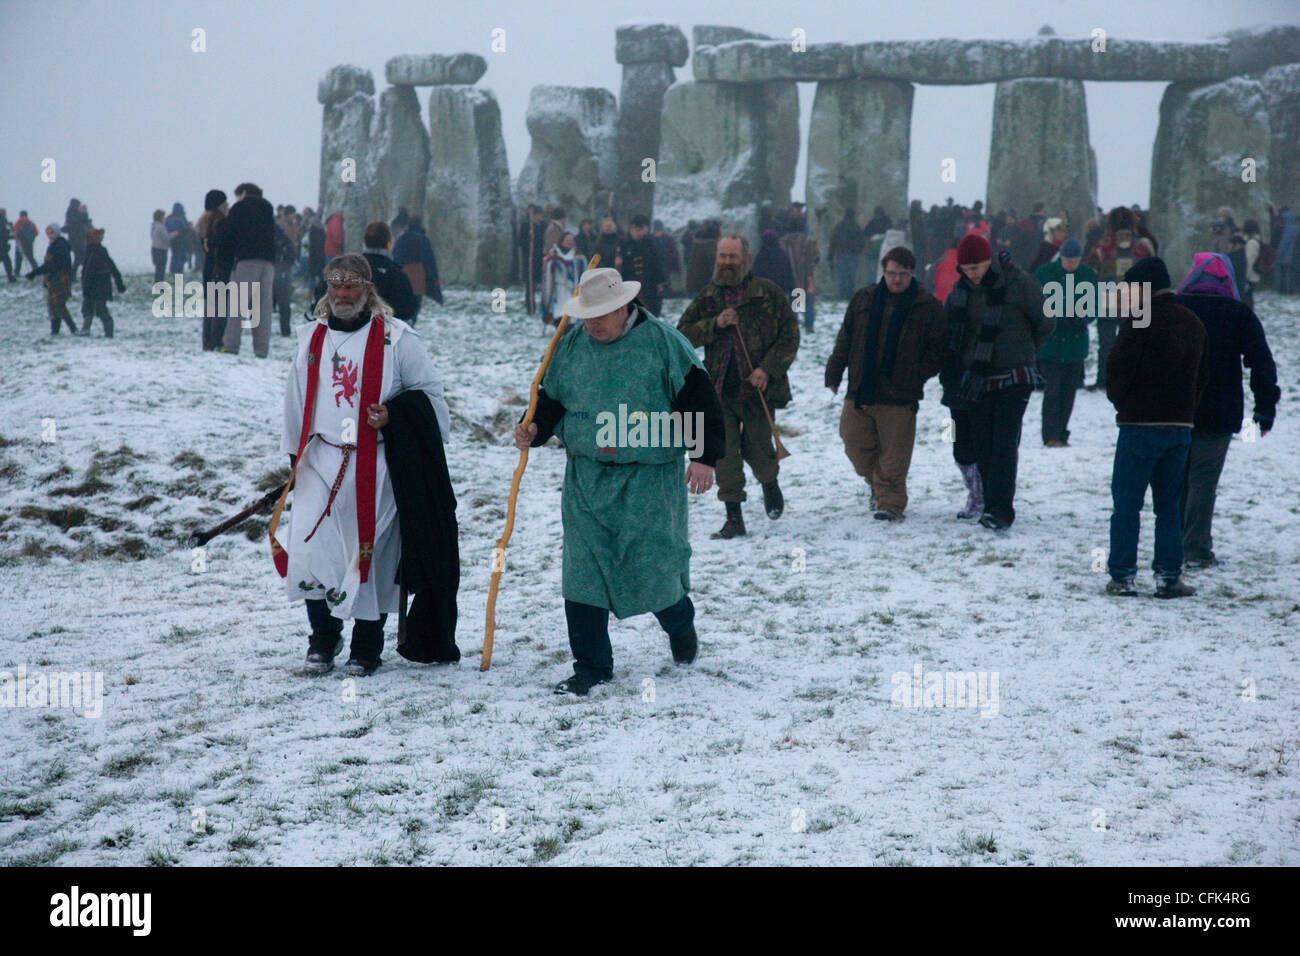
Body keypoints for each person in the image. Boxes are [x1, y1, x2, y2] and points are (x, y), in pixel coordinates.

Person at [512, 267, 723, 696]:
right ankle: (591, 668)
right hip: (587, 478)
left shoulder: (664, 343)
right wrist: (533, 428)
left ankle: (680, 624)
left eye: (602, 315)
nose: (593, 324)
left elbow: (699, 399)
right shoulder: (570, 345)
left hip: (649, 478)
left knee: (654, 569)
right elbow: (550, 399)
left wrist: (704, 457)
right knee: (583, 573)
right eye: (587, 316)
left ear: (624, 306)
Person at [274, 254, 456, 676]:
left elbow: (431, 398)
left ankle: (367, 645)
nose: (341, 295)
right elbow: (294, 402)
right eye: (335, 287)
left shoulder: (398, 339)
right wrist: (293, 460)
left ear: (368, 290)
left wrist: (394, 414)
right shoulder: (310, 340)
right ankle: (323, 637)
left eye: (351, 286)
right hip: (319, 460)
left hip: (375, 465)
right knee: (311, 547)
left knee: (366, 556)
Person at [678, 235, 800, 538]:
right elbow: (682, 334)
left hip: (756, 390)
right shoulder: (708, 297)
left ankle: (769, 484)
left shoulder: (767, 294)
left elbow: (790, 335)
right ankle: (734, 517)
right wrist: (714, 324)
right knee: (724, 455)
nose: (727, 262)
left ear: (745, 258)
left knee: (759, 450)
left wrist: (767, 370)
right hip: (717, 391)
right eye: (723, 256)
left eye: (733, 256)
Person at [1104, 257, 1207, 598]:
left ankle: (1122, 576)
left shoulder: (1137, 322)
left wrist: (1122, 402)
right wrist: (1185, 409)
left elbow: (1118, 371)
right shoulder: (1193, 323)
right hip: (1179, 426)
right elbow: (1202, 376)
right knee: (1168, 505)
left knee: (1127, 505)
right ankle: (1168, 576)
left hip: (1139, 425)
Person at [940, 233, 1052, 530]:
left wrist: (1025, 350)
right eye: (967, 269)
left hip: (1015, 377)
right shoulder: (958, 295)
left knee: (1003, 444)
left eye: (977, 267)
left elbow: (1045, 321)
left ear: (990, 260)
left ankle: (999, 510)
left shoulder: (1019, 284)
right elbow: (951, 335)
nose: (973, 274)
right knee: (982, 446)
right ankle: (990, 501)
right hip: (976, 381)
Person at [1173, 253, 1279, 569]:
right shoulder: (1238, 314)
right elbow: (1261, 363)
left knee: (1178, 477)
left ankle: (1173, 542)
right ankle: (1195, 548)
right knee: (1204, 480)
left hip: (1174, 407)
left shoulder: (1175, 309)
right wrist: (1265, 408)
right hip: (1220, 410)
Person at [825, 247, 946, 521]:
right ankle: (878, 486)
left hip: (900, 394)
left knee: (894, 456)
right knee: (853, 442)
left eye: (903, 274)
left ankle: (890, 504)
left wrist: (916, 374)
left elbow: (938, 350)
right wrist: (834, 372)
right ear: (883, 271)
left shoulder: (927, 307)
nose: (896, 279)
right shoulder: (863, 299)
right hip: (861, 386)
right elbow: (846, 337)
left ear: (912, 273)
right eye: (892, 273)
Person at [1034, 237, 1097, 446]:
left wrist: (1084, 317)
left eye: (1075, 261)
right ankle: (1050, 435)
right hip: (1051, 344)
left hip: (1074, 344)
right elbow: (1035, 303)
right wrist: (1055, 316)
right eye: (1068, 260)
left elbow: (1095, 305)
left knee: (1069, 392)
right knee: (1053, 391)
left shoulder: (1088, 276)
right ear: (1061, 258)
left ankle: (1062, 433)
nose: (1071, 265)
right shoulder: (1044, 274)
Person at [1087, 206, 1156, 390]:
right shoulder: (1143, 245)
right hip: (1136, 299)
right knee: (1135, 342)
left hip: (1109, 296)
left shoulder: (1101, 246)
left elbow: (1092, 270)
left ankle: (1104, 379)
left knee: (1107, 344)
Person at [216, 182, 276, 357]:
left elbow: (229, 236)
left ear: (243, 193)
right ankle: (262, 349)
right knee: (263, 308)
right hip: (268, 263)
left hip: (246, 260)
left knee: (238, 306)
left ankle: (231, 345)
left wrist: (224, 264)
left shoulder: (239, 207)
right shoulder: (268, 208)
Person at [358, 221, 419, 324]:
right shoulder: (396, 274)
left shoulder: (348, 268)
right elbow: (408, 310)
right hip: (385, 334)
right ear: (389, 245)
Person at [29, 224, 78, 335]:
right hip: (54, 278)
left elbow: (51, 265)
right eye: (48, 233)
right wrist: (45, 276)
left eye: (52, 232)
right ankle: (55, 330)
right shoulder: (54, 245)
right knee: (53, 305)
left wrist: (35, 273)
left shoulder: (59, 246)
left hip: (60, 278)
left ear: (57, 233)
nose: (50, 235)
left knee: (58, 305)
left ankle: (73, 329)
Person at [197, 190, 230, 350]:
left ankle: (207, 342)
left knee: (210, 308)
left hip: (209, 269)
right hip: (221, 269)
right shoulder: (222, 223)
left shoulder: (204, 222)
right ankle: (217, 340)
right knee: (221, 308)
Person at [78, 228, 125, 337]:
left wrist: (119, 283)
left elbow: (93, 270)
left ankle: (109, 333)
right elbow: (112, 267)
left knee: (101, 310)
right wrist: (119, 283)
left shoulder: (96, 252)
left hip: (98, 288)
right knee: (87, 308)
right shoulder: (93, 251)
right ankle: (86, 329)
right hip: (93, 287)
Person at [781, 206, 819, 332]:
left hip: (790, 277)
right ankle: (809, 326)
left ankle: (794, 325)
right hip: (806, 276)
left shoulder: (784, 242)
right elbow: (816, 257)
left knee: (795, 302)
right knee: (808, 302)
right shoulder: (807, 241)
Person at [390, 216, 442, 307]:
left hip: (403, 275)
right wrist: (434, 279)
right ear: (420, 225)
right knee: (416, 301)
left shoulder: (401, 238)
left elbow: (395, 258)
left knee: (404, 301)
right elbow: (429, 260)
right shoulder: (423, 239)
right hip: (419, 275)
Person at [620, 214, 666, 316]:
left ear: (646, 230)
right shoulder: (625, 245)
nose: (637, 233)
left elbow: (658, 264)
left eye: (640, 230)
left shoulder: (652, 245)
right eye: (635, 230)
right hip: (631, 281)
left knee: (651, 308)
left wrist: (660, 283)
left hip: (649, 283)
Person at [539, 231, 587, 327]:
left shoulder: (578, 258)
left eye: (571, 240)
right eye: (567, 240)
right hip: (558, 292)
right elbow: (547, 272)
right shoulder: (553, 256)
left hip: (572, 290)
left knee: (572, 318)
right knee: (560, 316)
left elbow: (583, 271)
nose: (569, 242)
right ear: (561, 241)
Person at [830, 208, 866, 299]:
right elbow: (862, 241)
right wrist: (859, 250)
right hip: (853, 254)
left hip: (841, 253)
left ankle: (842, 294)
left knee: (842, 275)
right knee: (851, 276)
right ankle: (850, 294)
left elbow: (833, 240)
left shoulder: (839, 226)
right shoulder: (856, 227)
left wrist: (830, 254)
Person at [751, 228, 795, 299]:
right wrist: (790, 290)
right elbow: (788, 274)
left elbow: (755, 274)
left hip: (765, 294)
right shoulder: (783, 255)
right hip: (780, 292)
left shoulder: (760, 256)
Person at [684, 219, 717, 298]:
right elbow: (712, 265)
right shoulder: (710, 245)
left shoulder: (696, 244)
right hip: (705, 283)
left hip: (694, 282)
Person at [62, 199, 91, 276]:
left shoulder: (77, 213)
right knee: (79, 258)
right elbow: (76, 222)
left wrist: (84, 213)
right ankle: (74, 276)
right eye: (78, 205)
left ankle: (76, 275)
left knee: (81, 258)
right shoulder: (71, 213)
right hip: (75, 240)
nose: (79, 206)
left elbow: (85, 221)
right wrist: (82, 213)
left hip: (81, 239)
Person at [652, 219, 680, 295]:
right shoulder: (650, 239)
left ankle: (667, 292)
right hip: (653, 264)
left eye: (659, 230)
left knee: (666, 279)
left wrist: (669, 256)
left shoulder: (667, 239)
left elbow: (673, 251)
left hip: (666, 263)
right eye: (656, 231)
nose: (657, 232)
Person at [1275, 207, 1297, 294]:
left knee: (1286, 274)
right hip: (1294, 254)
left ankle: (1285, 290)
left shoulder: (1288, 229)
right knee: (1291, 274)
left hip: (1287, 255)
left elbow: (1284, 243)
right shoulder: (1295, 228)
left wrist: (1278, 254)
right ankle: (1291, 290)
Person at [165, 202, 189, 275]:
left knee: (174, 256)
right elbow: (186, 230)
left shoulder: (168, 219)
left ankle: (172, 271)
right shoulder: (182, 218)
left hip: (172, 241)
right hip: (181, 241)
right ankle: (179, 272)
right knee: (180, 256)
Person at [13, 210, 40, 274]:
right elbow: (36, 233)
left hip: (20, 243)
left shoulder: (18, 223)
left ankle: (17, 272)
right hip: (29, 243)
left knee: (18, 258)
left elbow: (14, 231)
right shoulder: (31, 223)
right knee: (31, 257)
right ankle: (36, 270)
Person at [150, 210, 170, 282]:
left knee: (158, 269)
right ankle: (159, 287)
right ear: (160, 217)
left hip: (154, 249)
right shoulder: (161, 227)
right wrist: (173, 235)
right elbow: (166, 239)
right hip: (161, 250)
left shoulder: (153, 226)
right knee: (161, 270)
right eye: (163, 217)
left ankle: (157, 285)